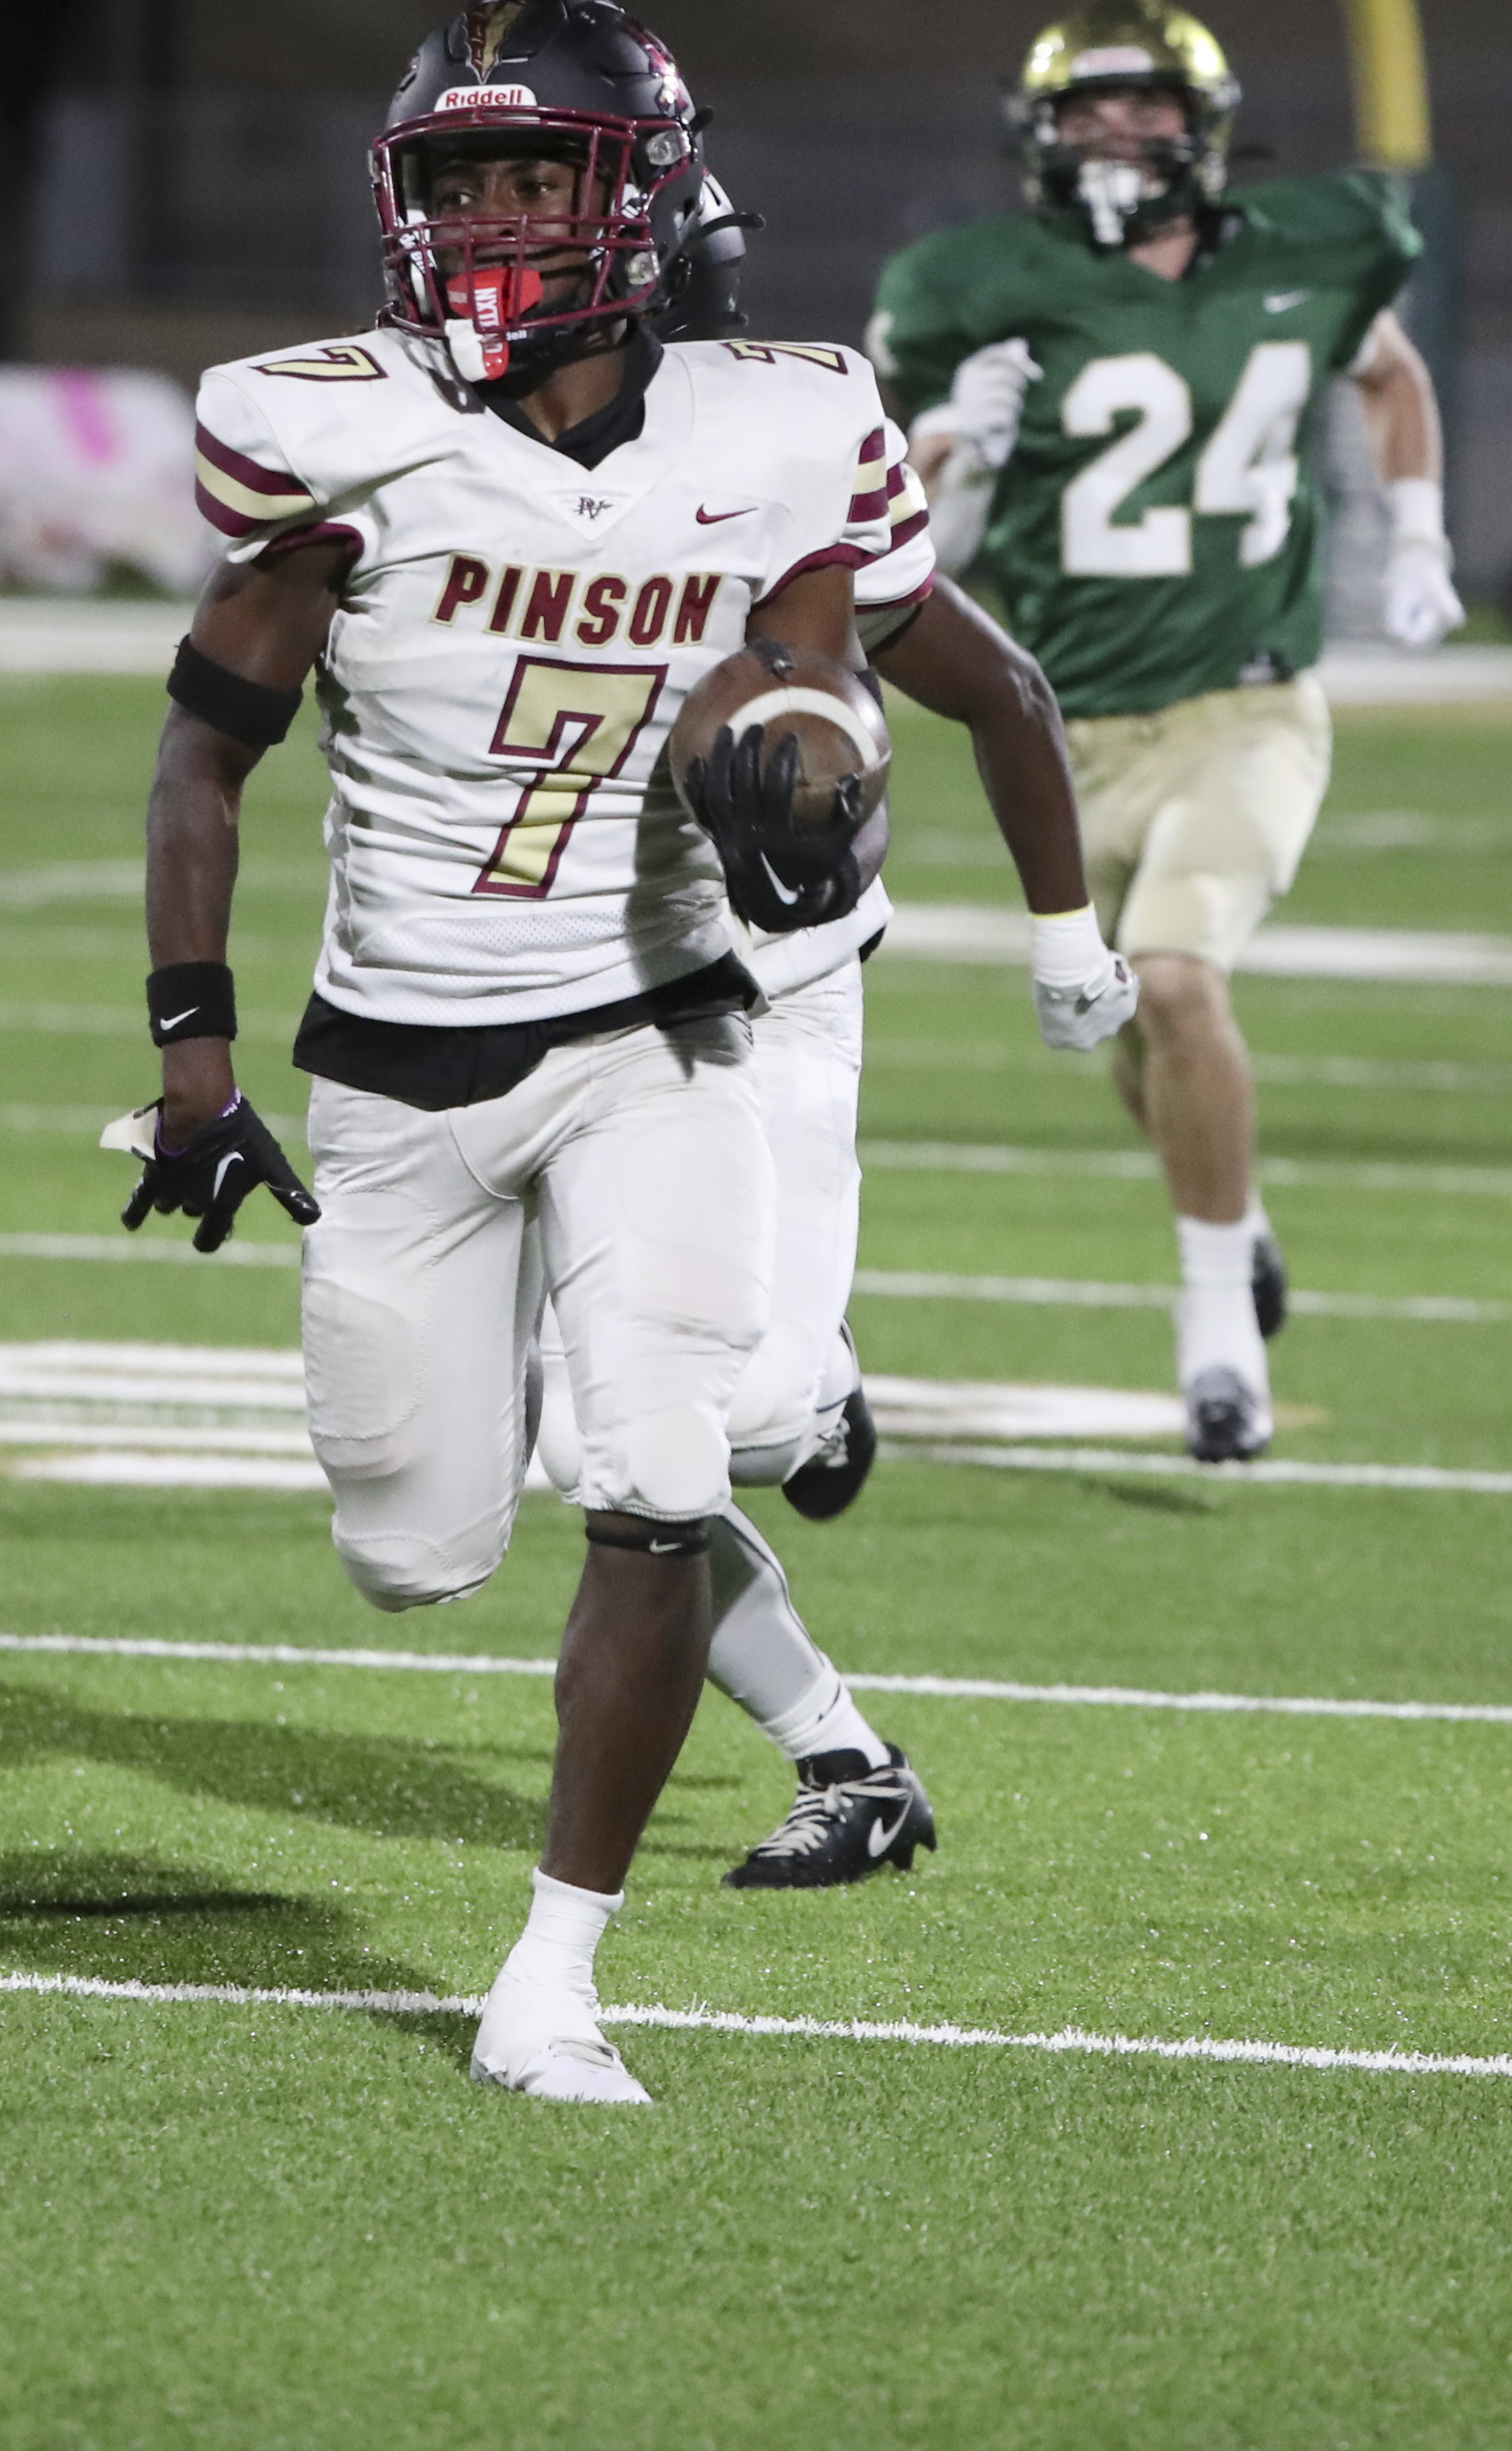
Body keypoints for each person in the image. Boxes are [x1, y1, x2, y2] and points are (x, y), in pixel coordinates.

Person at [111, 0, 928, 2102]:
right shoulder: (340, 437)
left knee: (652, 1482)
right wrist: (193, 1064)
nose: (485, 217)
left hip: (654, 1037)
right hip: (394, 1073)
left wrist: (817, 789)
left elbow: (824, 681)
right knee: (413, 1545)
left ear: (641, 192)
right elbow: (201, 764)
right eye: (453, 176)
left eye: (531, 174)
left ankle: (555, 1978)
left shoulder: (780, 426)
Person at [528, 209, 1139, 1889]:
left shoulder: (782, 488)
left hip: (768, 997)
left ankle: (823, 1388)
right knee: (593, 1454)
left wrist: (1064, 935)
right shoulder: (477, 472)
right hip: (562, 1007)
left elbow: (1000, 689)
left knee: (746, 1422)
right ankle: (847, 1761)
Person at [870, 0, 1444, 1462]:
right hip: (1063, 737)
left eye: (1148, 106)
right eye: (1086, 109)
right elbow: (905, 554)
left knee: (1180, 983)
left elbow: (1387, 368)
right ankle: (1234, 1214)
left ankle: (1215, 1342)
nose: (1119, 131)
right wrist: (961, 451)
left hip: (1248, 703)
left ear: (1205, 125)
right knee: (1142, 1040)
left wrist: (1420, 527)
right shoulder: (979, 284)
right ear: (1041, 135)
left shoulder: (1302, 254)